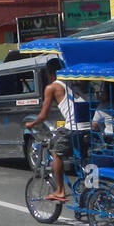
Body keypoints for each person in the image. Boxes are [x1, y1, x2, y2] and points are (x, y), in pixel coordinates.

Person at [23, 60, 81, 202]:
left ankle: (60, 191)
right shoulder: (74, 84)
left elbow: (43, 116)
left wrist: (31, 124)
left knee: (56, 152)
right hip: (87, 127)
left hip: (73, 128)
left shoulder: (52, 87)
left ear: (50, 73)